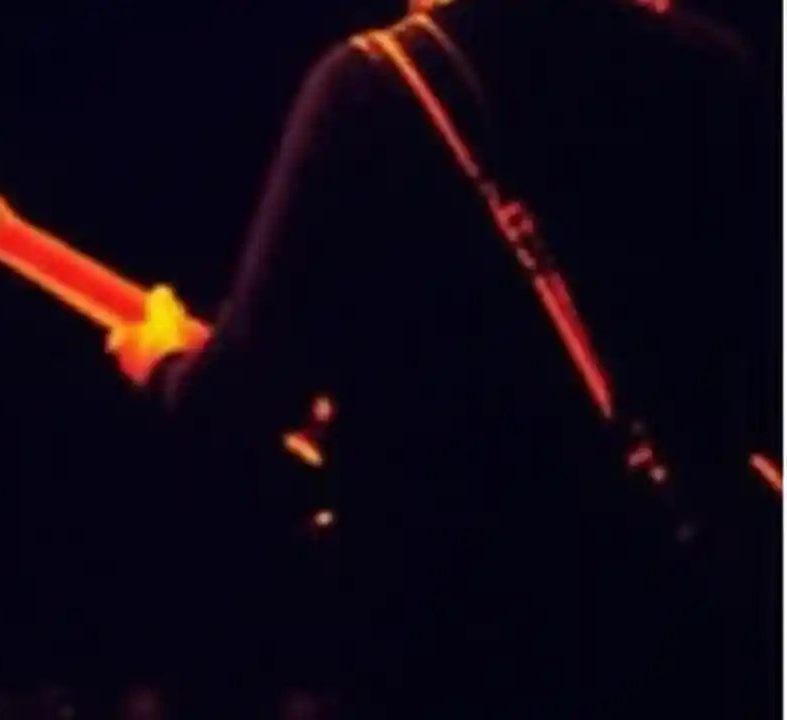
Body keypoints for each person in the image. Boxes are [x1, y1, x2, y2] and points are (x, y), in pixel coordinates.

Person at [106, 0, 779, 716]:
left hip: (460, 632)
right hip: (692, 612)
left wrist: (166, 364)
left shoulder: (371, 85)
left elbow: (243, 399)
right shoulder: (712, 67)